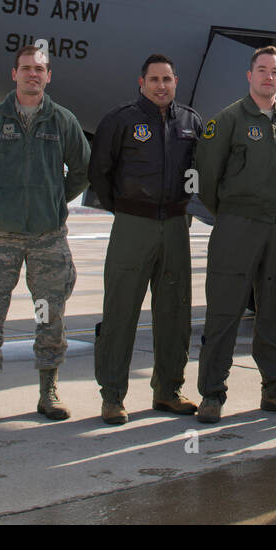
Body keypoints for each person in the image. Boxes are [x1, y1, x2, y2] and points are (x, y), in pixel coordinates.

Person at [0, 44, 91, 424]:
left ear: (49, 76)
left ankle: (48, 392)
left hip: (48, 237)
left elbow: (81, 170)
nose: (34, 74)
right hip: (0, 238)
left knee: (51, 316)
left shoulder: (62, 121)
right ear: (14, 74)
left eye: (40, 69)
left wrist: (53, 200)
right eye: (27, 68)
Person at [194, 46, 276, 424]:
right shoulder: (228, 120)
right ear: (249, 75)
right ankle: (212, 393)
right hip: (238, 224)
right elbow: (207, 179)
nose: (268, 77)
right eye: (261, 70)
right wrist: (232, 212)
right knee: (225, 309)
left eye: (275, 71)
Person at [89, 54, 202, 425]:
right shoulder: (121, 121)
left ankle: (168, 390)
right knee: (121, 311)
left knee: (175, 312)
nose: (161, 85)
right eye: (154, 79)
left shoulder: (190, 121)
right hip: (132, 225)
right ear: (141, 83)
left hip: (175, 225)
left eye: (167, 79)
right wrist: (125, 208)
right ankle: (112, 396)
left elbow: (200, 171)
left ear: (175, 81)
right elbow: (100, 174)